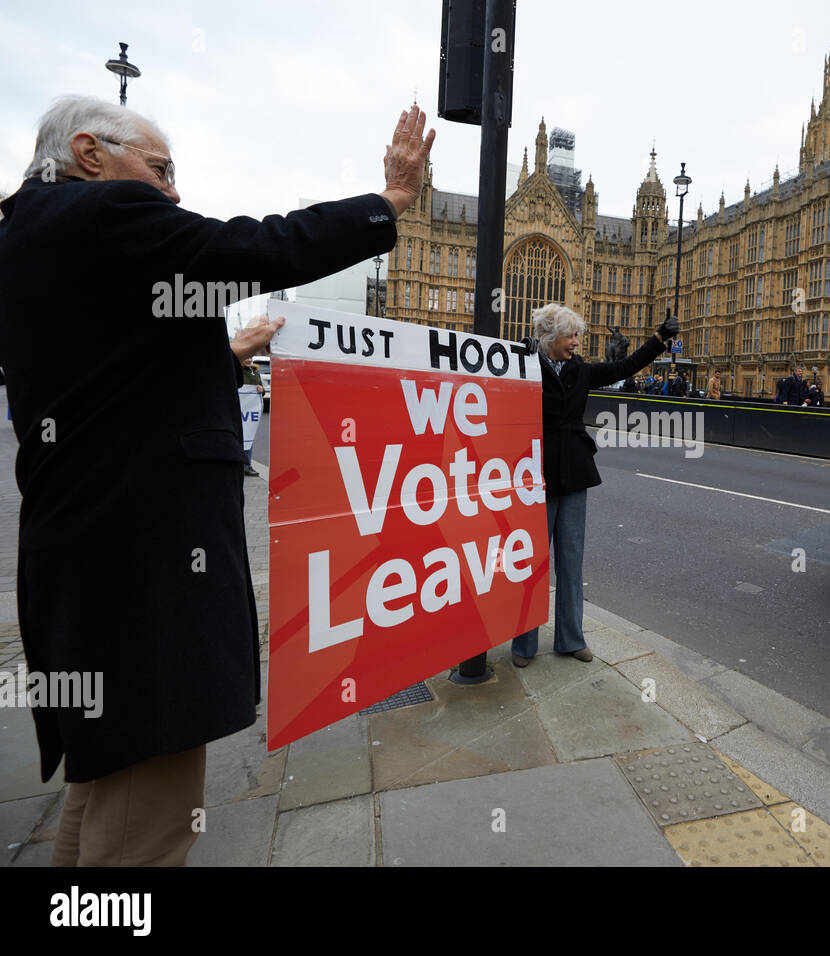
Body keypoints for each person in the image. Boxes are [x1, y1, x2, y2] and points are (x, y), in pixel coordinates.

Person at [0, 95, 434, 866]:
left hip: (84, 556)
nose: (170, 192)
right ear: (91, 154)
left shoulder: (30, 234)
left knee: (103, 791)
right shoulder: (103, 215)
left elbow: (103, 378)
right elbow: (259, 246)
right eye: (161, 171)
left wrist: (227, 352)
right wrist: (390, 200)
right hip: (143, 573)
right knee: (146, 826)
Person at [511, 304, 676, 667]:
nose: (576, 342)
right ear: (550, 338)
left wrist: (659, 340)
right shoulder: (525, 367)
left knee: (571, 561)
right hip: (534, 476)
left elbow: (623, 368)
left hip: (574, 473)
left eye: (577, 335)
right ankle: (523, 644)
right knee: (532, 563)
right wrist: (512, 353)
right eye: (570, 336)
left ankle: (570, 639)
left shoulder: (581, 371)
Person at [239, 358, 265, 476]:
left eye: (251, 357)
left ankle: (247, 464)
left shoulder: (255, 372)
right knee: (238, 437)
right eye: (246, 358)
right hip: (239, 409)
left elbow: (261, 389)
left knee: (249, 437)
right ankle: (239, 464)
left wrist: (262, 390)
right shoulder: (235, 371)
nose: (249, 360)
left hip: (250, 410)